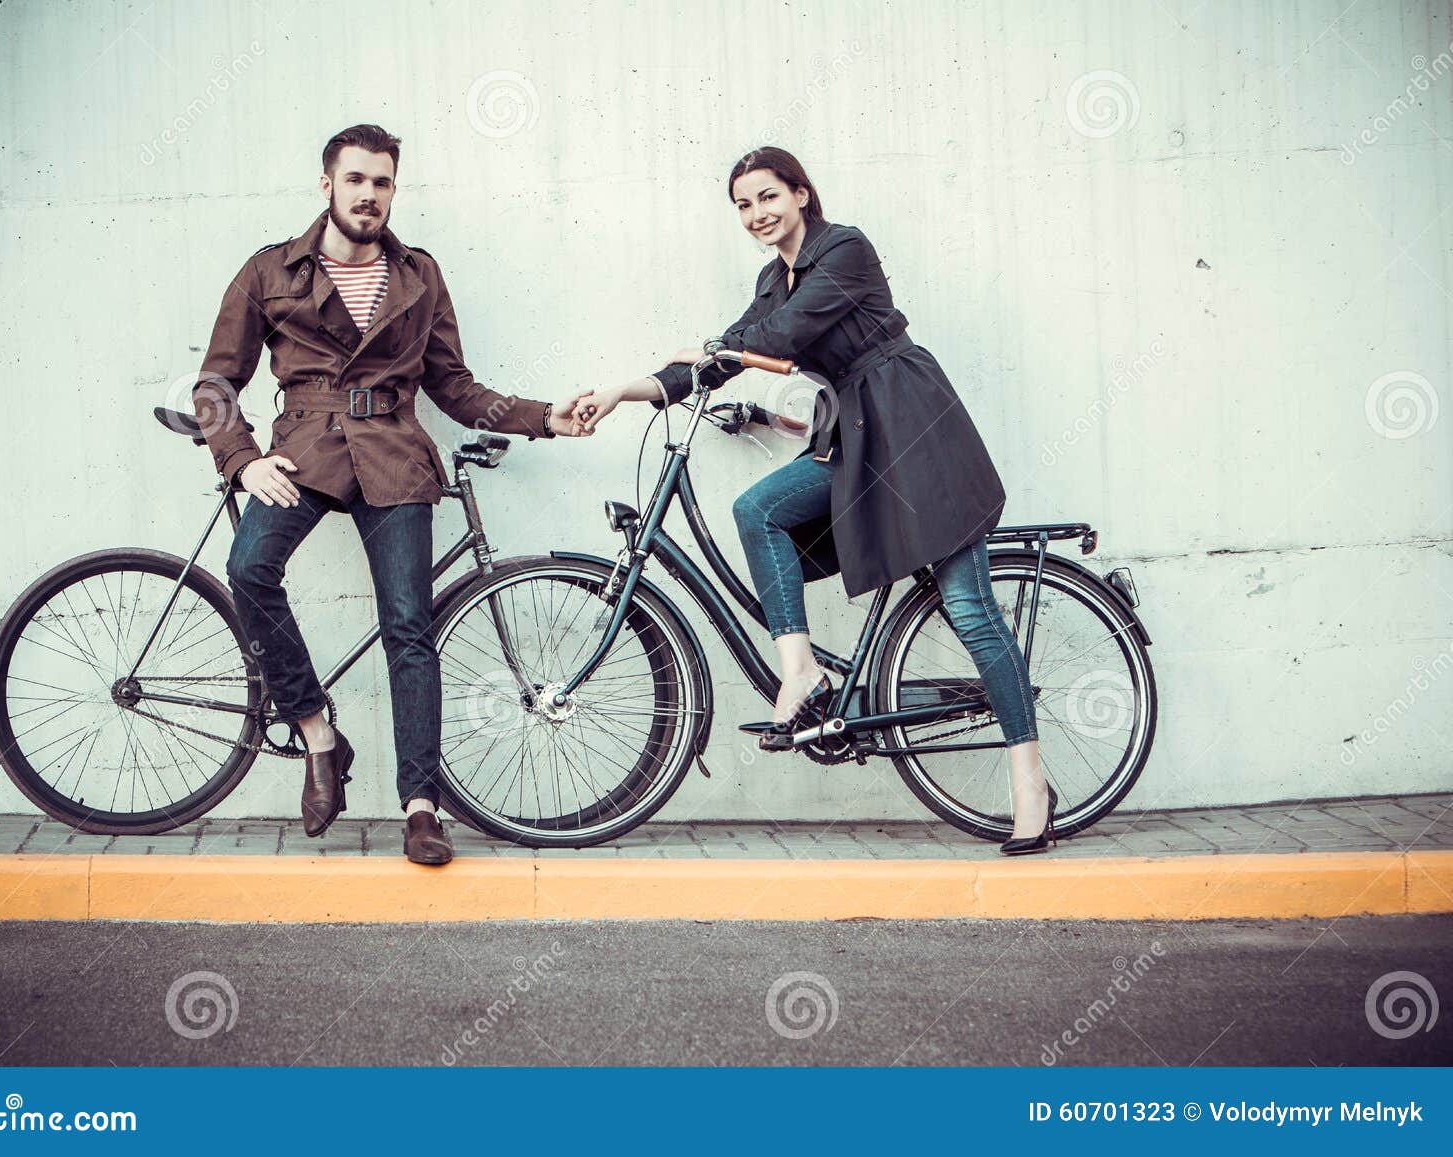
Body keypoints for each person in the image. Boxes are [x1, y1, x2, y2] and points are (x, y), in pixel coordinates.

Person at [574, 147, 1056, 855]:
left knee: (971, 610)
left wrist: (723, 349)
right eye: (742, 204)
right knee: (759, 510)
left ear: (801, 194)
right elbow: (732, 351)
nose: (757, 214)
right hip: (857, 435)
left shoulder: (846, 249)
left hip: (911, 425)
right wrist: (624, 390)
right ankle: (801, 668)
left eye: (768, 196)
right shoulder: (775, 277)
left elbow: (781, 337)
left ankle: (1030, 784)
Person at [192, 124, 590, 863]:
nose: (368, 195)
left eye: (382, 183)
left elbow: (454, 385)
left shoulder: (418, 275)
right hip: (303, 452)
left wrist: (545, 419)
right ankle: (318, 732)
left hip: (395, 459)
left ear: (393, 190)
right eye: (355, 180)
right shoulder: (268, 270)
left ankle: (420, 806)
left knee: (409, 627)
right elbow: (216, 383)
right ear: (327, 185)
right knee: (248, 568)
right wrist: (244, 462)